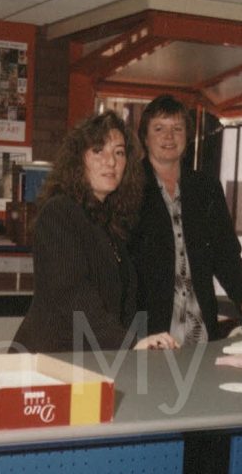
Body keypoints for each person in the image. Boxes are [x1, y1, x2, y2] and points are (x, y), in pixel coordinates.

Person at [13, 111, 178, 354]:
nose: (110, 162)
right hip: (50, 361)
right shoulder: (60, 212)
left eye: (119, 153)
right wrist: (129, 344)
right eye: (98, 150)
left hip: (92, 360)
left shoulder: (109, 223)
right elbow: (72, 296)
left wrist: (137, 343)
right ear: (79, 159)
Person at [128, 94, 242, 343]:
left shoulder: (205, 187)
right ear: (145, 136)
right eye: (159, 128)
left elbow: (225, 253)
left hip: (200, 327)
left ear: (188, 135)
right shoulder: (129, 186)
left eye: (177, 128)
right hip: (149, 331)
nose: (168, 137)